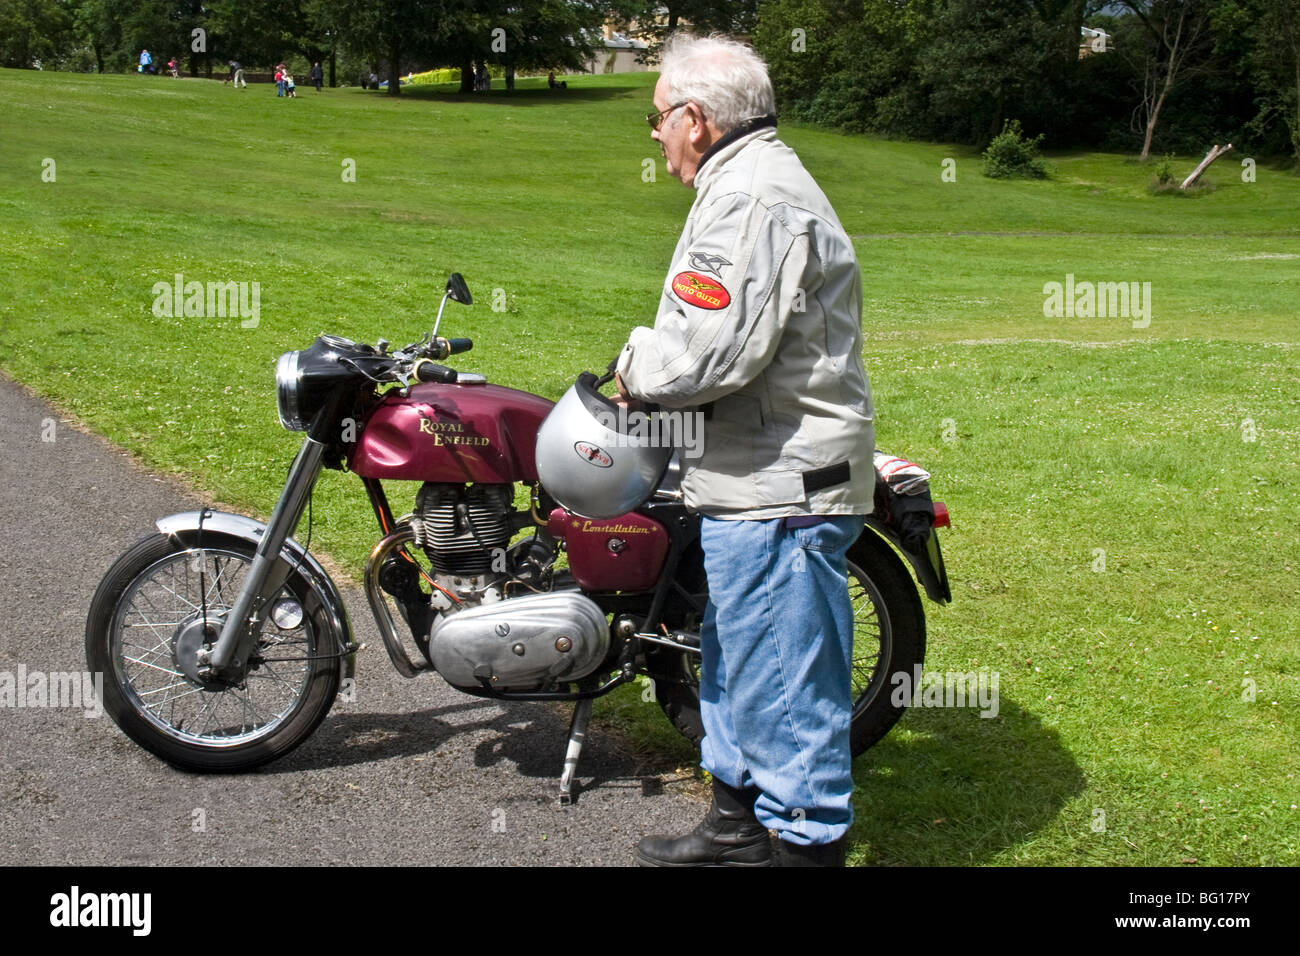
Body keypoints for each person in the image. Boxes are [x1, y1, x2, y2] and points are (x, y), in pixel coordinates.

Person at [615, 33, 875, 867]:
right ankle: (735, 827)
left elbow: (706, 356)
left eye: (657, 117)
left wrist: (631, 367)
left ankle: (805, 848)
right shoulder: (743, 181)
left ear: (696, 117)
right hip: (749, 477)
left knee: (791, 690)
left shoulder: (754, 197)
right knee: (732, 662)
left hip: (781, 486)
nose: (653, 133)